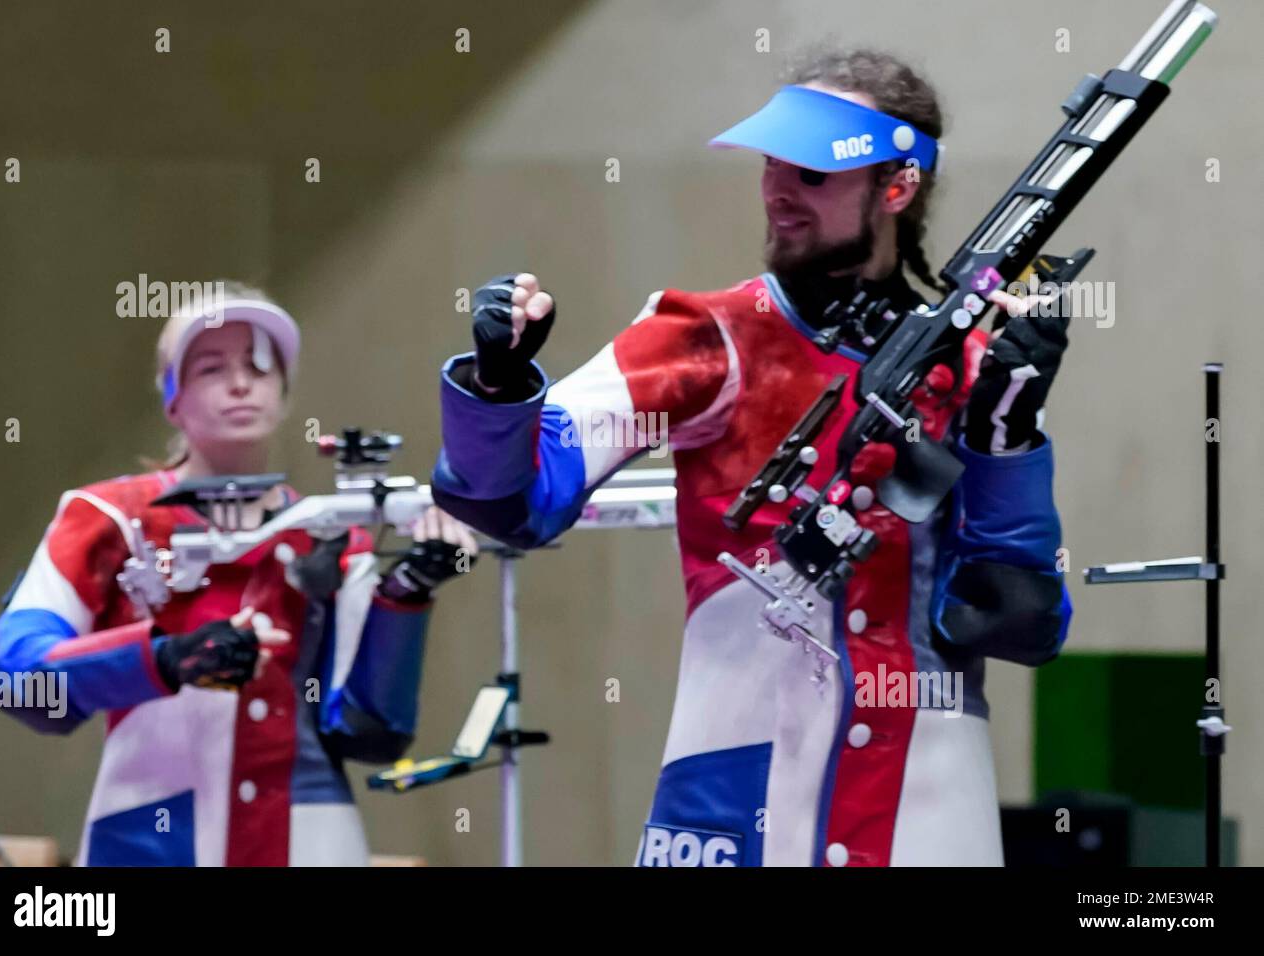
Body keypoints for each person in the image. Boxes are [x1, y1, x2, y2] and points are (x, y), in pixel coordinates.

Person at [431, 48, 1072, 866]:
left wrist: (1009, 443)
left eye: (811, 173)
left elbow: (1018, 621)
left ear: (896, 187)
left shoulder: (977, 363)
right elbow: (508, 503)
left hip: (931, 797)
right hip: (737, 786)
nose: (777, 190)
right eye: (773, 164)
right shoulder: (708, 335)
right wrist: (499, 379)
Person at [0, 283, 479, 866]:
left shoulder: (333, 531)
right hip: (150, 835)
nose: (241, 383)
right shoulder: (106, 520)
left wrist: (405, 595)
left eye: (259, 367)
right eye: (211, 367)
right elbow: (21, 681)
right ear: (171, 397)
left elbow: (371, 733)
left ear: (284, 392)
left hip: (309, 836)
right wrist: (167, 660)